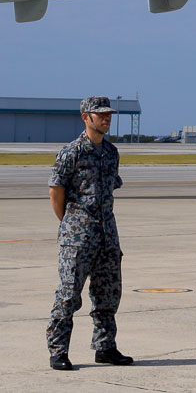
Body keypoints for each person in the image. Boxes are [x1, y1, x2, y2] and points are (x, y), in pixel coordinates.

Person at [46, 96, 133, 371]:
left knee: (108, 295)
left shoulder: (111, 153)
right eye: (100, 114)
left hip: (108, 235)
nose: (106, 118)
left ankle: (105, 347)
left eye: (108, 114)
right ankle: (58, 350)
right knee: (69, 295)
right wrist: (72, 224)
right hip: (78, 238)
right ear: (86, 117)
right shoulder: (71, 152)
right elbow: (56, 192)